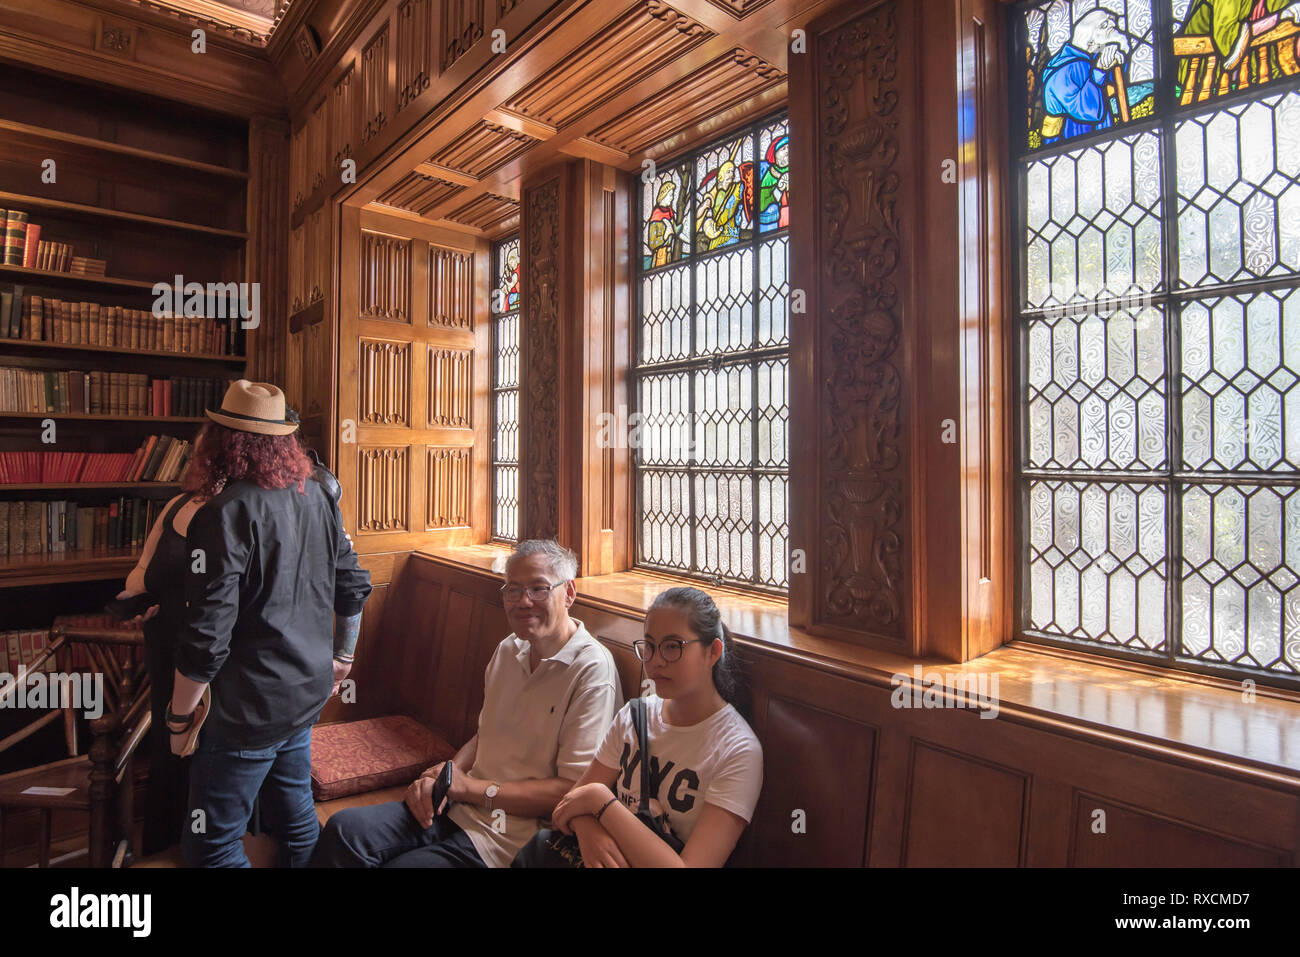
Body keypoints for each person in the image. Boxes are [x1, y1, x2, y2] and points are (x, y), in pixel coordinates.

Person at [311, 539, 622, 868]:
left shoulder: (591, 671)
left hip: (507, 837)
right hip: (457, 806)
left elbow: (570, 789)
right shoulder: (509, 649)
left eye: (539, 589)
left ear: (569, 593)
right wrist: (447, 774)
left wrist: (470, 788)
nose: (523, 601)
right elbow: (485, 733)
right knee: (345, 831)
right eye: (513, 590)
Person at [164, 380, 372, 867]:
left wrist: (179, 719)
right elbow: (355, 584)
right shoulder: (318, 494)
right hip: (304, 693)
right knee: (296, 817)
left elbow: (206, 637)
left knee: (211, 846)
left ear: (220, 442)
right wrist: (343, 656)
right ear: (285, 442)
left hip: (246, 710)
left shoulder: (224, 511)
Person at [519, 586, 763, 867]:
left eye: (673, 646)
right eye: (649, 646)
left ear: (712, 652)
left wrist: (601, 803)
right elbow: (569, 806)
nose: (656, 661)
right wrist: (590, 832)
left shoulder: (738, 750)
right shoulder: (635, 716)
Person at [1040, 9, 1127, 144]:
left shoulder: (1087, 61)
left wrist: (1118, 59)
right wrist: (1100, 70)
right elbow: (1087, 111)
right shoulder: (1062, 70)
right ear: (1091, 40)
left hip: (1101, 141)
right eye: (1106, 40)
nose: (1104, 47)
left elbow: (1115, 86)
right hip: (1074, 140)